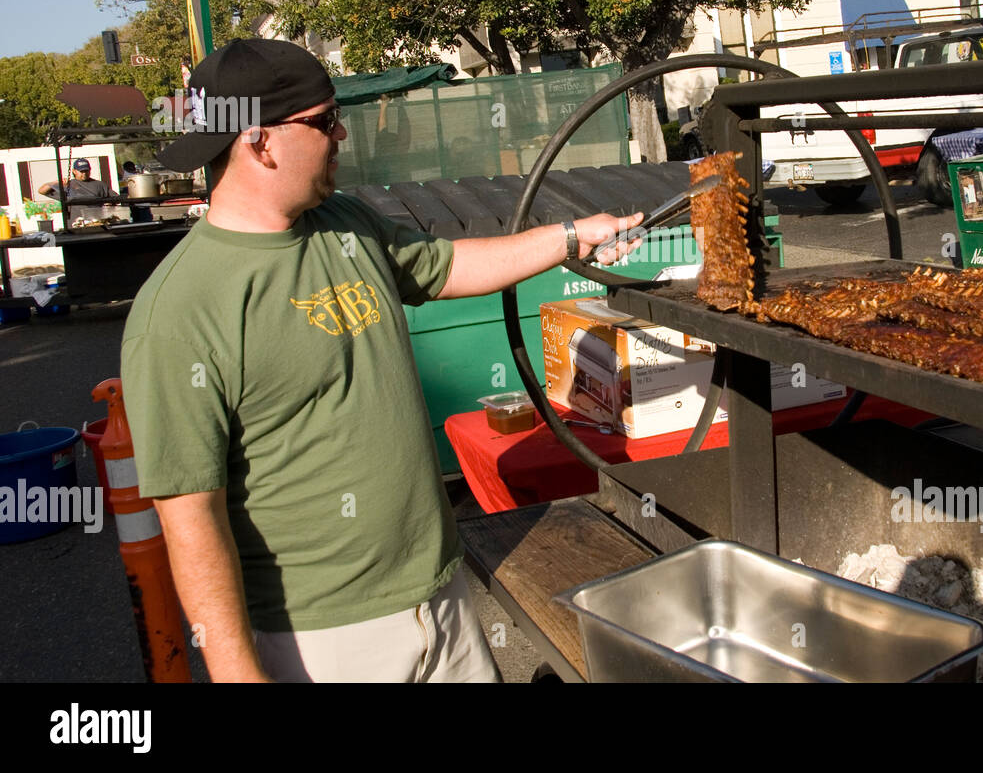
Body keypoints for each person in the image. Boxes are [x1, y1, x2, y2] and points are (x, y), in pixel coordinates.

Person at [120, 38, 643, 683]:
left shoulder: (344, 222)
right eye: (323, 120)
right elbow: (190, 517)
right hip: (323, 639)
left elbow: (449, 266)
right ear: (260, 142)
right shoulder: (180, 310)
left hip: (441, 599)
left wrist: (568, 236)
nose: (340, 132)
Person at [38, 157, 111, 200]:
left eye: (86, 170)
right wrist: (57, 182)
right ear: (74, 171)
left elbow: (115, 198)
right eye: (81, 171)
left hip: (96, 222)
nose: (84, 173)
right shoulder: (67, 185)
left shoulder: (100, 184)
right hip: (75, 224)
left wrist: (109, 203)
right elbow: (42, 191)